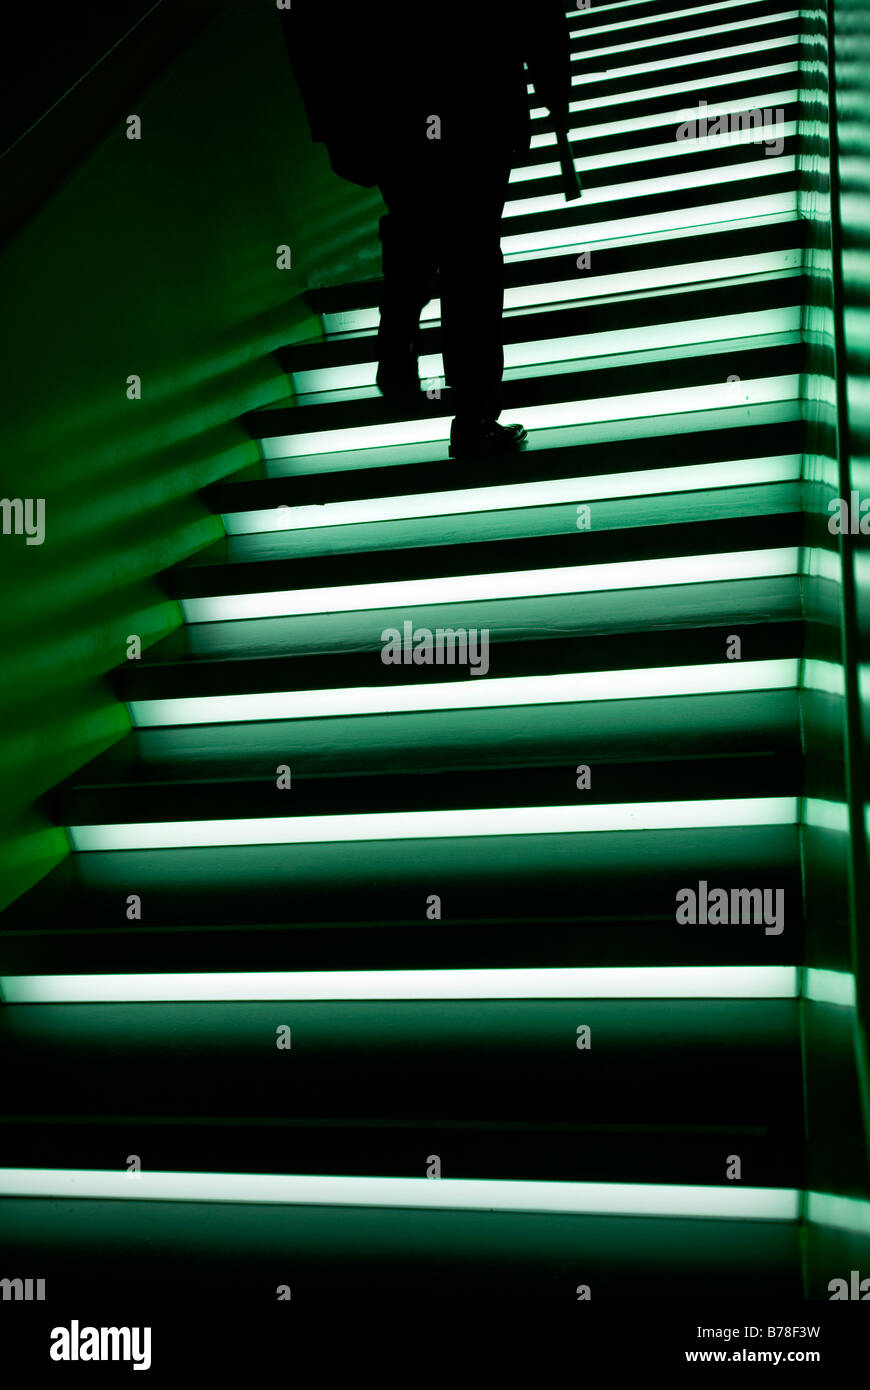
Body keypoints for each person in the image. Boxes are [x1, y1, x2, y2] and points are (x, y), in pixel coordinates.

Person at [280, 3, 573, 459]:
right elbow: (538, 12)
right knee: (471, 252)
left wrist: (332, 127)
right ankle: (473, 416)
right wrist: (554, 91)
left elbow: (305, 21)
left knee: (418, 224)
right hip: (477, 86)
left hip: (386, 99)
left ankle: (397, 334)